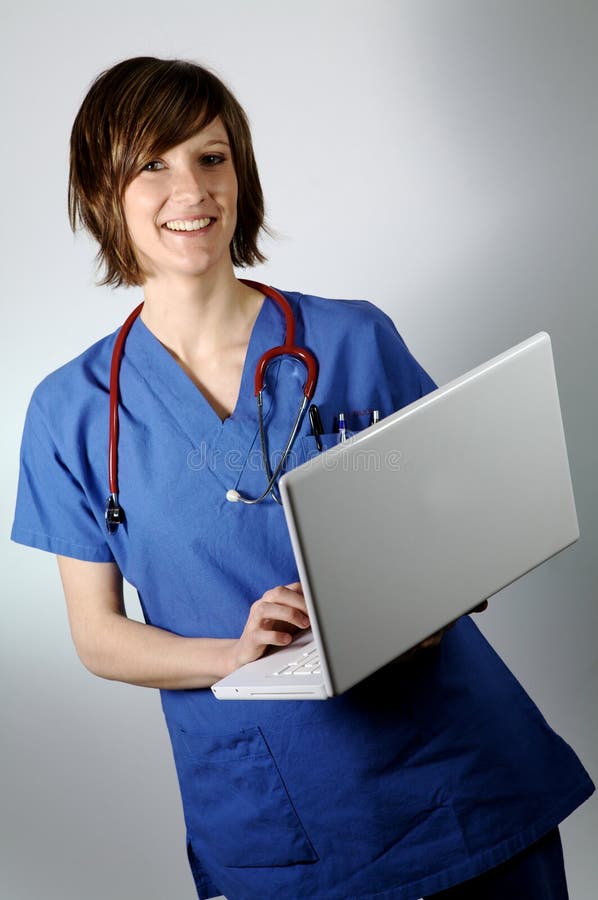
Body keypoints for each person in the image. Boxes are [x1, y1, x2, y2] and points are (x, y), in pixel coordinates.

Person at [11, 56, 593, 900]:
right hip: (277, 816)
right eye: (153, 164)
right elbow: (98, 635)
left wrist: (423, 604)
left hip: (457, 786)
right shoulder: (70, 410)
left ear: (240, 173)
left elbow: (461, 537)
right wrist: (235, 655)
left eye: (212, 157)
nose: (191, 189)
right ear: (103, 189)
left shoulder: (352, 340)